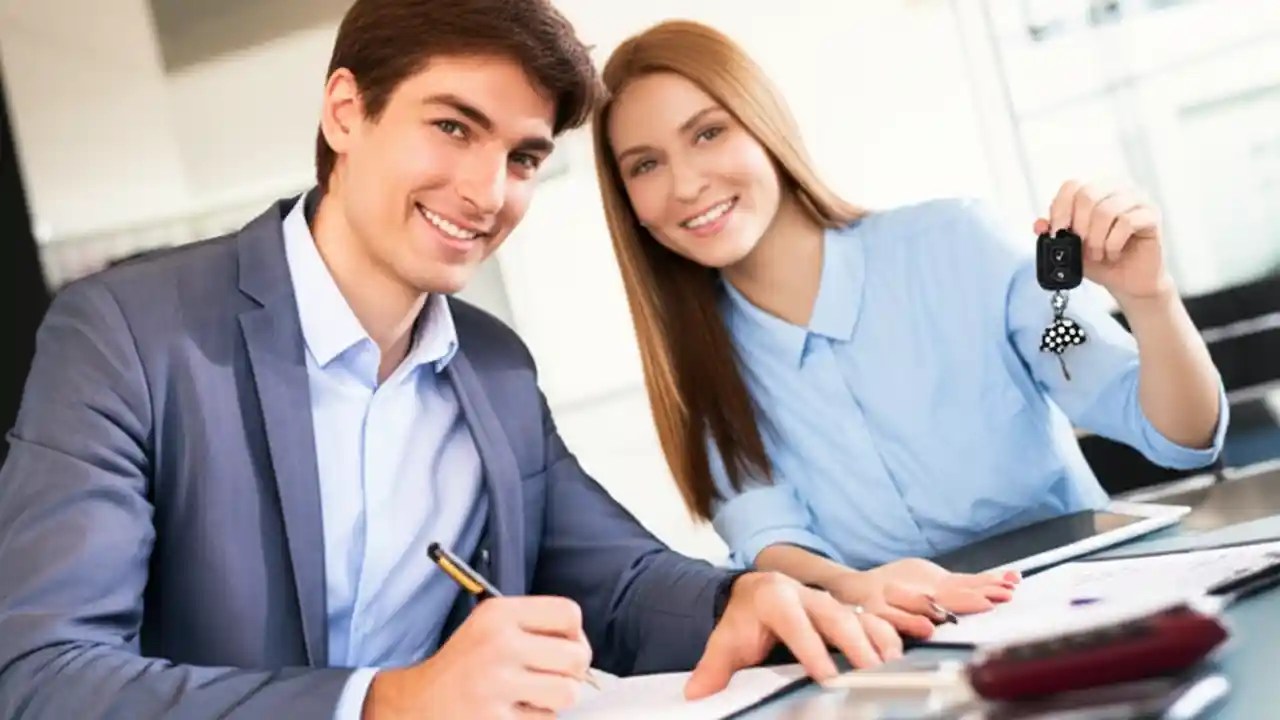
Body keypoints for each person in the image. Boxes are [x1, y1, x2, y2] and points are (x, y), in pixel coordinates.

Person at [0, 3, 908, 719]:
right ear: (346, 111)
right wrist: (390, 702)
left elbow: (619, 580)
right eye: (452, 127)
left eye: (521, 157)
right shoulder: (126, 332)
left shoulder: (494, 368)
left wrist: (737, 602)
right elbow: (43, 678)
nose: (486, 193)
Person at [590, 20, 1227, 631]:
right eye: (645, 165)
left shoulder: (957, 243)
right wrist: (855, 588)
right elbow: (766, 535)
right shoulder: (697, 364)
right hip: (909, 642)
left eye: (707, 134)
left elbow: (1178, 436)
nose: (686, 184)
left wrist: (1150, 297)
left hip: (1092, 598)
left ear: (765, 126)